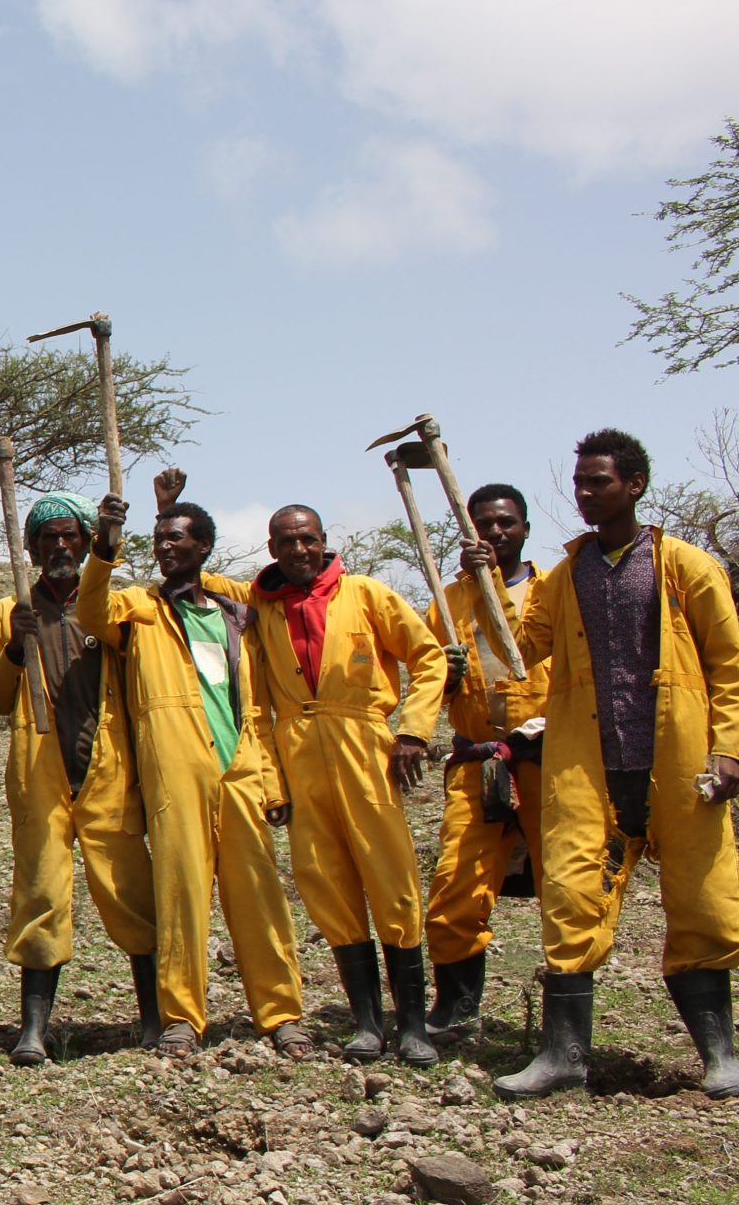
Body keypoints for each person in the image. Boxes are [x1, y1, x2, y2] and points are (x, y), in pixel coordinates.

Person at [486, 429, 739, 1100]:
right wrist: (484, 579)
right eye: (579, 482)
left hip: (681, 763)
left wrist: (730, 746)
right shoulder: (567, 575)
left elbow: (731, 663)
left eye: (597, 481)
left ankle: (720, 1054)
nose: (584, 492)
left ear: (634, 485)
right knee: (569, 896)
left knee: (704, 904)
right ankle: (564, 1056)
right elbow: (523, 648)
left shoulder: (685, 565)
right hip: (587, 767)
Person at [189, 478, 447, 1066]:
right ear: (272, 549)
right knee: (325, 883)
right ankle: (365, 1023)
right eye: (285, 542)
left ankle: (413, 1026)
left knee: (392, 880)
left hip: (366, 748)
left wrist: (413, 731)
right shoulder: (262, 607)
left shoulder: (368, 595)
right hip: (299, 755)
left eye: (307, 539)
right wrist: (273, 783)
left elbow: (428, 656)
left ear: (325, 541)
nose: (298, 550)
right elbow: (198, 575)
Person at [78, 493, 312, 1059]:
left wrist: (271, 780)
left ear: (203, 547)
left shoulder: (234, 615)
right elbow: (91, 610)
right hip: (175, 774)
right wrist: (106, 545)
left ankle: (282, 1016)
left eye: (176, 537)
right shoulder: (138, 609)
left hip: (240, 772)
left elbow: (252, 709)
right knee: (180, 894)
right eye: (159, 539)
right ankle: (182, 1019)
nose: (164, 547)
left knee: (258, 897)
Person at [0, 493, 158, 1064]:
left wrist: (112, 533)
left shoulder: (114, 604)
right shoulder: (12, 608)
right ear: (30, 548)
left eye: (70, 537)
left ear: (85, 543)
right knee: (41, 893)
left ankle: (155, 1018)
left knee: (130, 891)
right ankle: (33, 1030)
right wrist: (14, 647)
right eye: (48, 538)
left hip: (108, 767)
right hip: (41, 772)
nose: (60, 547)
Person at [421, 483, 548, 1038]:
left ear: (524, 528)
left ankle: (565, 1021)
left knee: (570, 887)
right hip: (478, 760)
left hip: (550, 758)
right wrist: (444, 677)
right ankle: (455, 1007)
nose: (496, 534)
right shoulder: (446, 603)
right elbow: (436, 684)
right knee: (455, 883)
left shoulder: (553, 594)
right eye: (483, 525)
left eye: (506, 523)